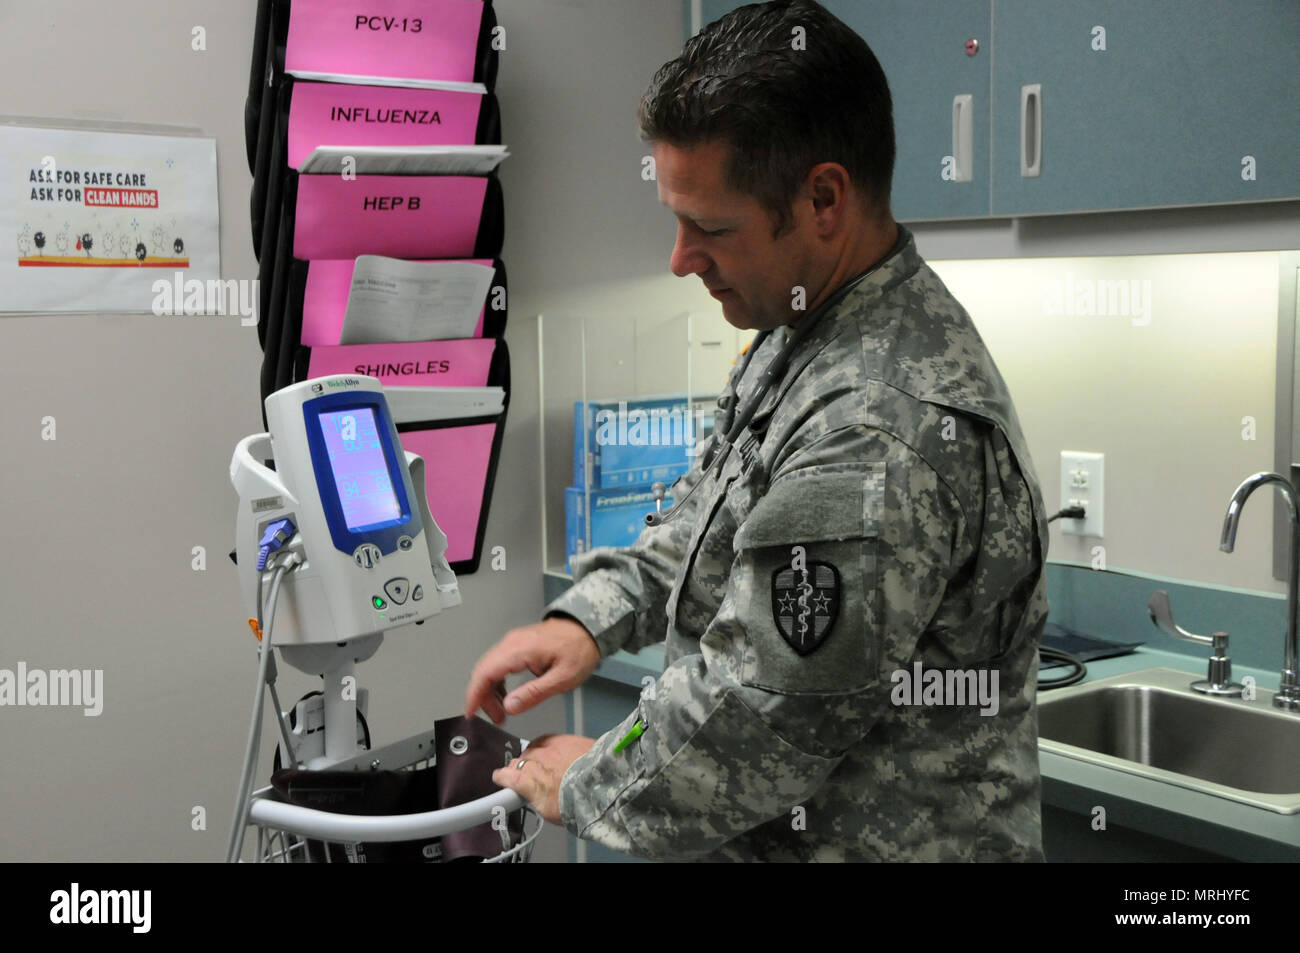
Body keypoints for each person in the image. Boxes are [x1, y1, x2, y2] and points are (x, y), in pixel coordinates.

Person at [465, 0, 1049, 861]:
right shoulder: (802, 330)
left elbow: (760, 713)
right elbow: (710, 512)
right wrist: (592, 615)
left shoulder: (876, 425)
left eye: (710, 227)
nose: (679, 258)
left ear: (822, 199)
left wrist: (590, 782)